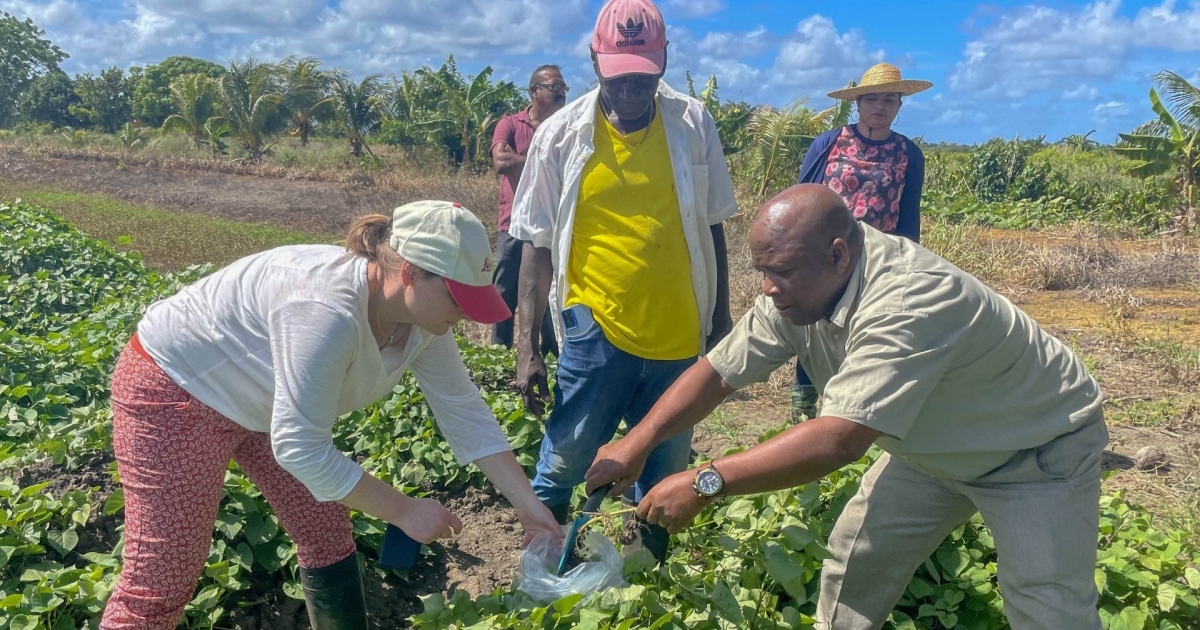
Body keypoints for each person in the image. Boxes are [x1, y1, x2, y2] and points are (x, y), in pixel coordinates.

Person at [585, 184, 1108, 629]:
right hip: (931, 451)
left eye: (780, 271)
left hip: (1033, 451)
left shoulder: (907, 300)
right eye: (762, 270)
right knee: (857, 564)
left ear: (838, 255)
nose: (767, 289)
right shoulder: (796, 291)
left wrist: (707, 482)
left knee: (1048, 608)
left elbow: (839, 439)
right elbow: (719, 372)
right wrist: (637, 442)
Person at [101, 201, 561, 630]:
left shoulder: (424, 323)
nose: (465, 315)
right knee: (165, 575)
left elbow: (463, 409)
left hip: (266, 396)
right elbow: (301, 449)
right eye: (458, 299)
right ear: (410, 273)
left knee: (325, 531)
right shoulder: (324, 312)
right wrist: (404, 511)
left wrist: (528, 506)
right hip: (178, 387)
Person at [508, 0, 737, 559]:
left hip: (680, 335)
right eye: (619, 78)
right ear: (594, 61)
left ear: (664, 61)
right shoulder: (560, 134)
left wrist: (721, 318)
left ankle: (646, 577)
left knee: (666, 471)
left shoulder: (693, 122)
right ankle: (538, 569)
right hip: (594, 330)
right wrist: (526, 345)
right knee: (567, 457)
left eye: (644, 77)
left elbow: (712, 226)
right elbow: (535, 243)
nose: (632, 92)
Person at [792, 62, 932, 422]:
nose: (879, 106)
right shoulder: (829, 143)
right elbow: (801, 197)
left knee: (867, 329)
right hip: (827, 255)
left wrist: (909, 265)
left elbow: (908, 214)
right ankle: (802, 407)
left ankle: (849, 409)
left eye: (889, 100)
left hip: (877, 259)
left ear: (899, 105)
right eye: (871, 99)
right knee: (817, 324)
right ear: (858, 103)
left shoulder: (908, 154)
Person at [490, 64, 570, 355]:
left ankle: (550, 351)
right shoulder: (510, 124)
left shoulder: (567, 128)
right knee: (504, 290)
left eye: (563, 88)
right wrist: (549, 165)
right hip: (514, 222)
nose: (561, 93)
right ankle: (499, 352)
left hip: (553, 222)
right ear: (535, 91)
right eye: (554, 87)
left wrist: (521, 161)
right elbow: (502, 163)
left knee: (550, 290)